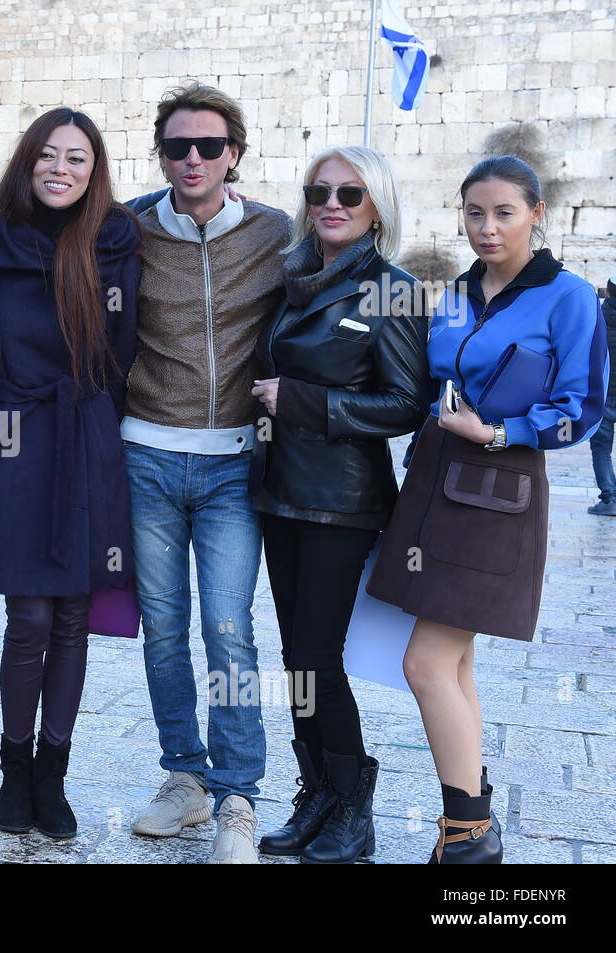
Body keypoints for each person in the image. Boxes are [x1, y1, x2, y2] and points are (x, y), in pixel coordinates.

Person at [368, 155, 608, 864]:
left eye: (504, 212)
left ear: (537, 213)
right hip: (434, 476)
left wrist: (505, 431)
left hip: (497, 488)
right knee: (456, 661)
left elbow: (584, 409)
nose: (487, 226)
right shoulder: (459, 291)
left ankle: (468, 836)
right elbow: (427, 380)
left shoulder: (569, 297)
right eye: (475, 212)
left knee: (426, 662)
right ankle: (475, 822)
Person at [0, 108, 141, 839]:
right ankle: (12, 767)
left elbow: (120, 352)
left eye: (78, 159)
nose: (61, 169)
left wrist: (95, 426)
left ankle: (53, 774)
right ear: (28, 160)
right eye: (49, 156)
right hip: (10, 432)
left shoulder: (117, 241)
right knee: (28, 614)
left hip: (86, 433)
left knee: (72, 618)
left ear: (95, 173)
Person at [121, 82, 291, 863]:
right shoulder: (126, 228)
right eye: (177, 147)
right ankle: (183, 776)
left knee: (230, 630)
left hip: (231, 466)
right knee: (162, 631)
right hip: (146, 455)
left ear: (235, 156)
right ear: (160, 154)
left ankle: (238, 796)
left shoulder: (274, 234)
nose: (192, 160)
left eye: (209, 147)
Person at [248, 146, 428, 863]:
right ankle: (317, 789)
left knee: (319, 657)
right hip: (278, 491)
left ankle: (353, 801)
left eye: (350, 193)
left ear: (375, 205)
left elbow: (406, 402)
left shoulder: (396, 288)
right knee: (297, 657)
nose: (332, 203)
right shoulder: (293, 276)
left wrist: (307, 402)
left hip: (342, 499)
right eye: (319, 190)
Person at [587, 276, 616, 516]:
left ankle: (610, 498)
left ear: (607, 293)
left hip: (604, 395)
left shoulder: (596, 319)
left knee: (601, 450)